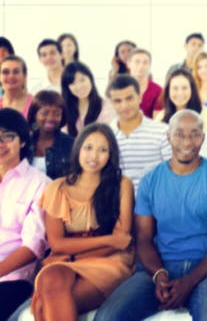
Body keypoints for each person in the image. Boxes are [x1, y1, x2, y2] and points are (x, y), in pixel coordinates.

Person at [94, 110, 207, 321]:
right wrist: (159, 275)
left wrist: (189, 282)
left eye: (195, 134)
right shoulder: (150, 180)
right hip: (160, 266)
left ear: (203, 138)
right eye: (179, 134)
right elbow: (143, 238)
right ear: (168, 136)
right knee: (106, 317)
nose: (187, 142)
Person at [29, 123, 135, 321]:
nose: (94, 156)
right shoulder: (56, 188)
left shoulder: (122, 185)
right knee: (51, 278)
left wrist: (75, 255)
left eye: (102, 150)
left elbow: (121, 242)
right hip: (64, 258)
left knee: (48, 304)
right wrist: (108, 240)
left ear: (111, 155)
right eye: (88, 147)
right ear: (77, 148)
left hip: (108, 260)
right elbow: (57, 243)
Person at [0, 109, 49, 321]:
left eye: (7, 136)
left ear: (22, 141)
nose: (1, 143)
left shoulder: (40, 184)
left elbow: (32, 247)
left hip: (12, 279)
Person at [107, 74, 170, 191]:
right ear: (111, 103)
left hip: (153, 205)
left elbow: (171, 176)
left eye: (129, 98)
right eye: (118, 101)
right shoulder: (105, 136)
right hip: (116, 204)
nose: (124, 105)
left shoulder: (163, 132)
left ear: (140, 96)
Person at [26, 91, 73, 179]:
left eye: (57, 114)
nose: (50, 118)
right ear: (34, 114)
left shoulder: (71, 145)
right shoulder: (24, 143)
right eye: (45, 113)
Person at [155, 68, 207, 134]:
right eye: (175, 88)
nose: (180, 93)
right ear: (168, 91)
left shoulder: (205, 114)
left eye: (184, 88)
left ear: (192, 90)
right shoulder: (161, 117)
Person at [62, 62, 115, 137]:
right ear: (67, 88)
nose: (79, 86)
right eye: (73, 83)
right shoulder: (65, 110)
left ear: (90, 79)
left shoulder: (106, 107)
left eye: (82, 80)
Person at [127, 49, 163, 119]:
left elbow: (157, 120)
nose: (141, 66)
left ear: (149, 65)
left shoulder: (158, 90)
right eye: (137, 62)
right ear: (129, 63)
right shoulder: (120, 87)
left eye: (145, 62)